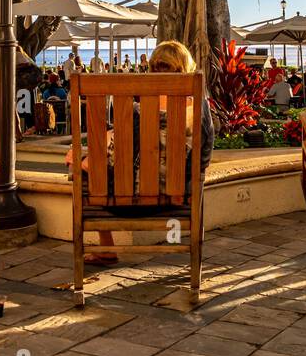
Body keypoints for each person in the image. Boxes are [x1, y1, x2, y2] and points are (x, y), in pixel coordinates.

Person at [64, 40, 215, 264]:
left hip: (124, 202)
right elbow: (204, 160)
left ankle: (107, 249)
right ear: (186, 70)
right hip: (178, 200)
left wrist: (83, 162)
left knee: (76, 162)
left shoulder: (137, 111)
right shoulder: (201, 109)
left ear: (152, 70)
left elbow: (117, 162)